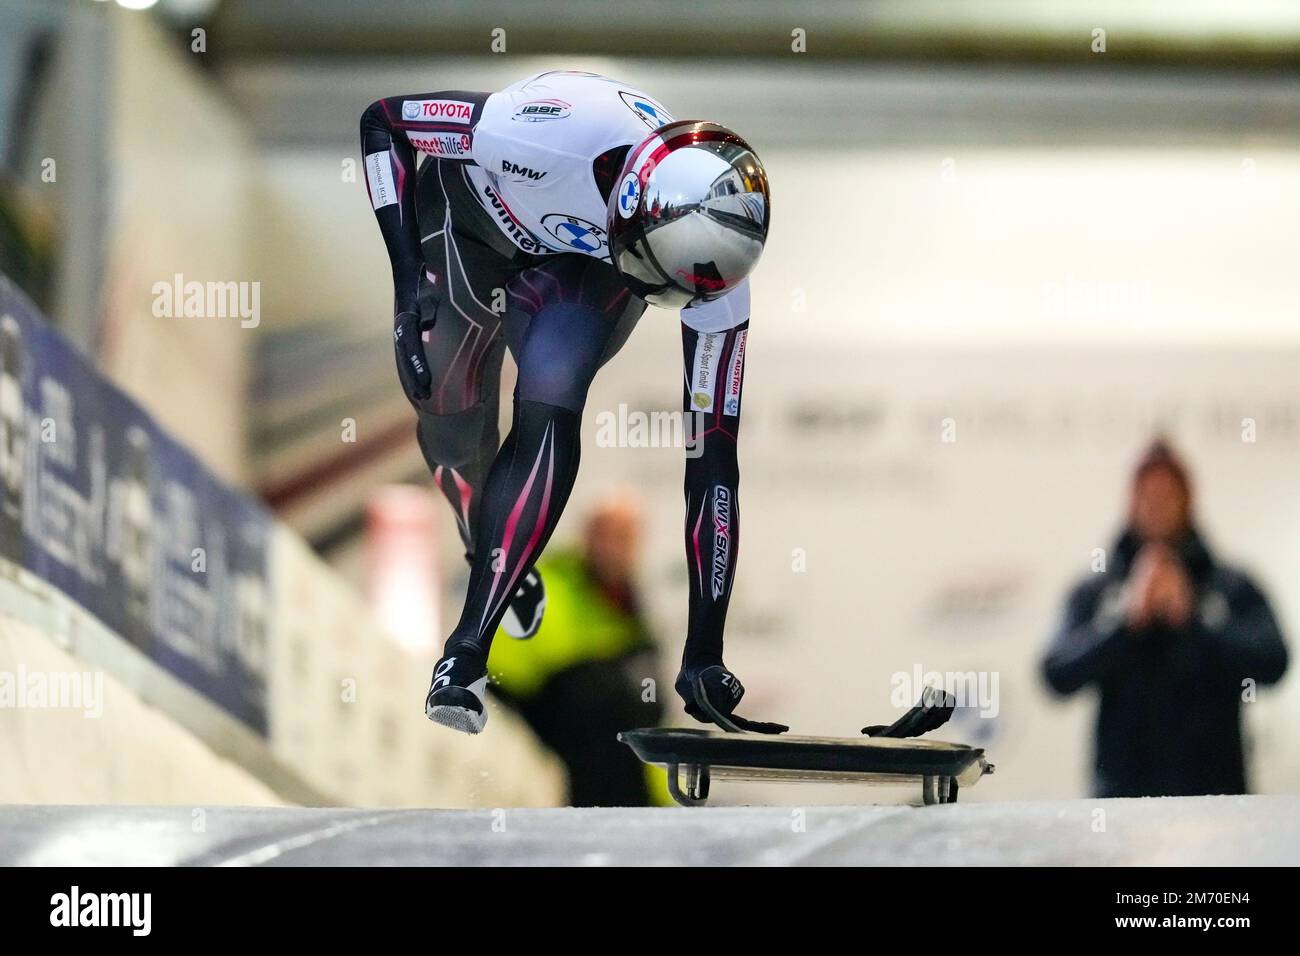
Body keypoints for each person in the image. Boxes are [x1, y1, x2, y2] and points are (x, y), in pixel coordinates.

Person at [359, 70, 782, 735]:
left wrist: (705, 648)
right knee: (448, 420)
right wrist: (407, 287)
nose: (669, 297)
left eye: (672, 291)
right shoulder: (543, 133)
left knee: (551, 400)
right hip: (470, 225)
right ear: (633, 204)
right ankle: (487, 546)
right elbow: (383, 119)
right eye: (658, 278)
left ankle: (466, 651)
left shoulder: (717, 282)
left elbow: (712, 466)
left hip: (584, 268)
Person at [1042, 438, 1289, 797]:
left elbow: (1274, 663)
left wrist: (1193, 619)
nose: (1157, 506)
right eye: (1148, 495)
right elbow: (1056, 673)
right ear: (1131, 501)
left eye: (1168, 494)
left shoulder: (1231, 585)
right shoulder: (1097, 589)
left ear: (1188, 500)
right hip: (1119, 807)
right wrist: (1126, 622)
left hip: (1215, 804)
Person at [488, 492, 663, 806]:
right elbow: (497, 694)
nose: (612, 547)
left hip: (640, 804)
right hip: (568, 803)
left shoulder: (633, 610)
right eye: (603, 533)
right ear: (585, 536)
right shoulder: (541, 595)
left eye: (623, 537)